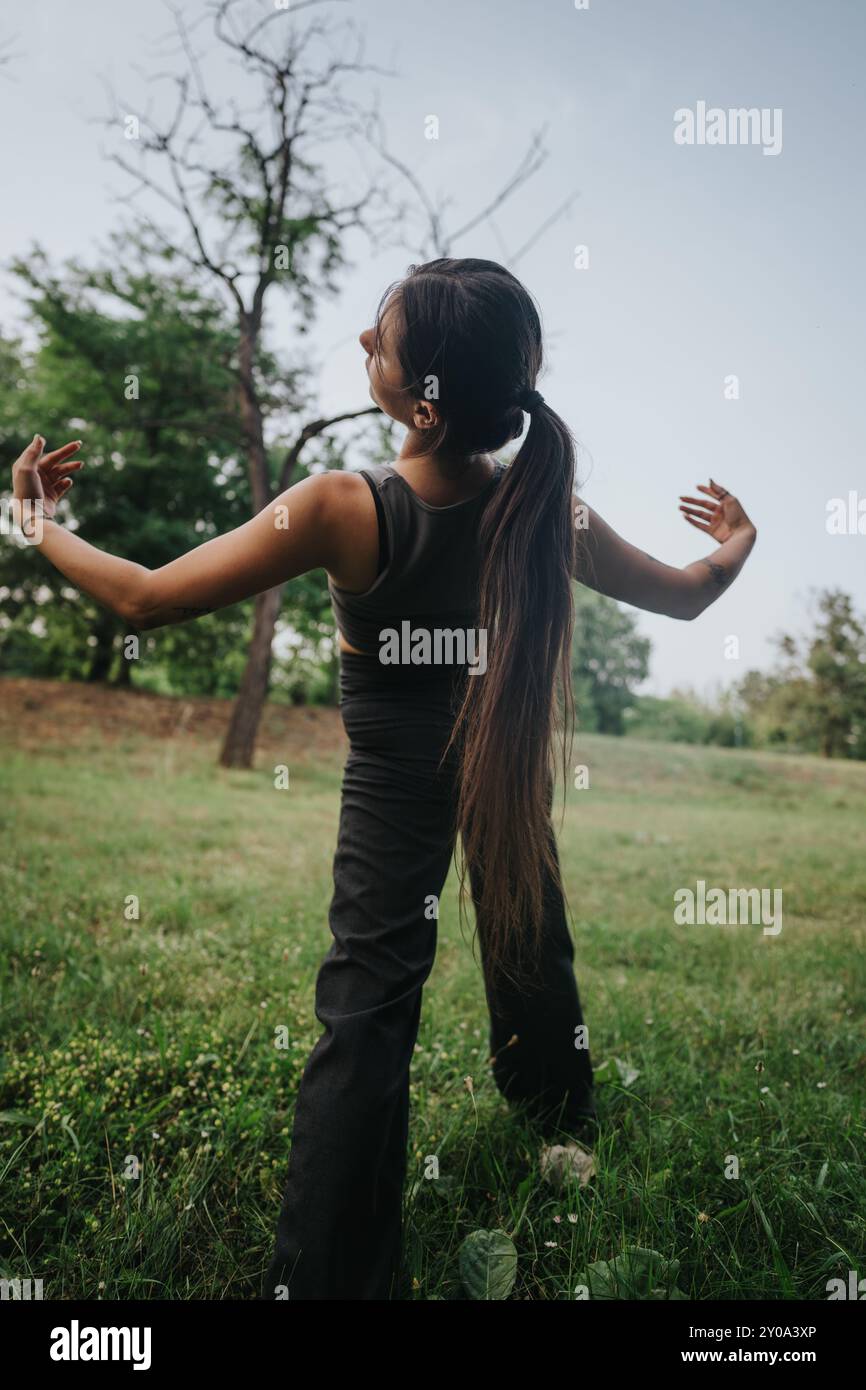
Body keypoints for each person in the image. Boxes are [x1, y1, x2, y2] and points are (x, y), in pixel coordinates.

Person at [10, 257, 757, 1300]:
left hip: (393, 782)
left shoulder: (338, 505)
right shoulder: (540, 505)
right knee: (525, 933)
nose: (365, 345)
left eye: (382, 339)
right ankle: (556, 1125)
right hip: (498, 765)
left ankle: (326, 1281)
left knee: (366, 1011)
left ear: (422, 394)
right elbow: (684, 597)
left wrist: (37, 526)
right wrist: (735, 545)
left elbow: (142, 599)